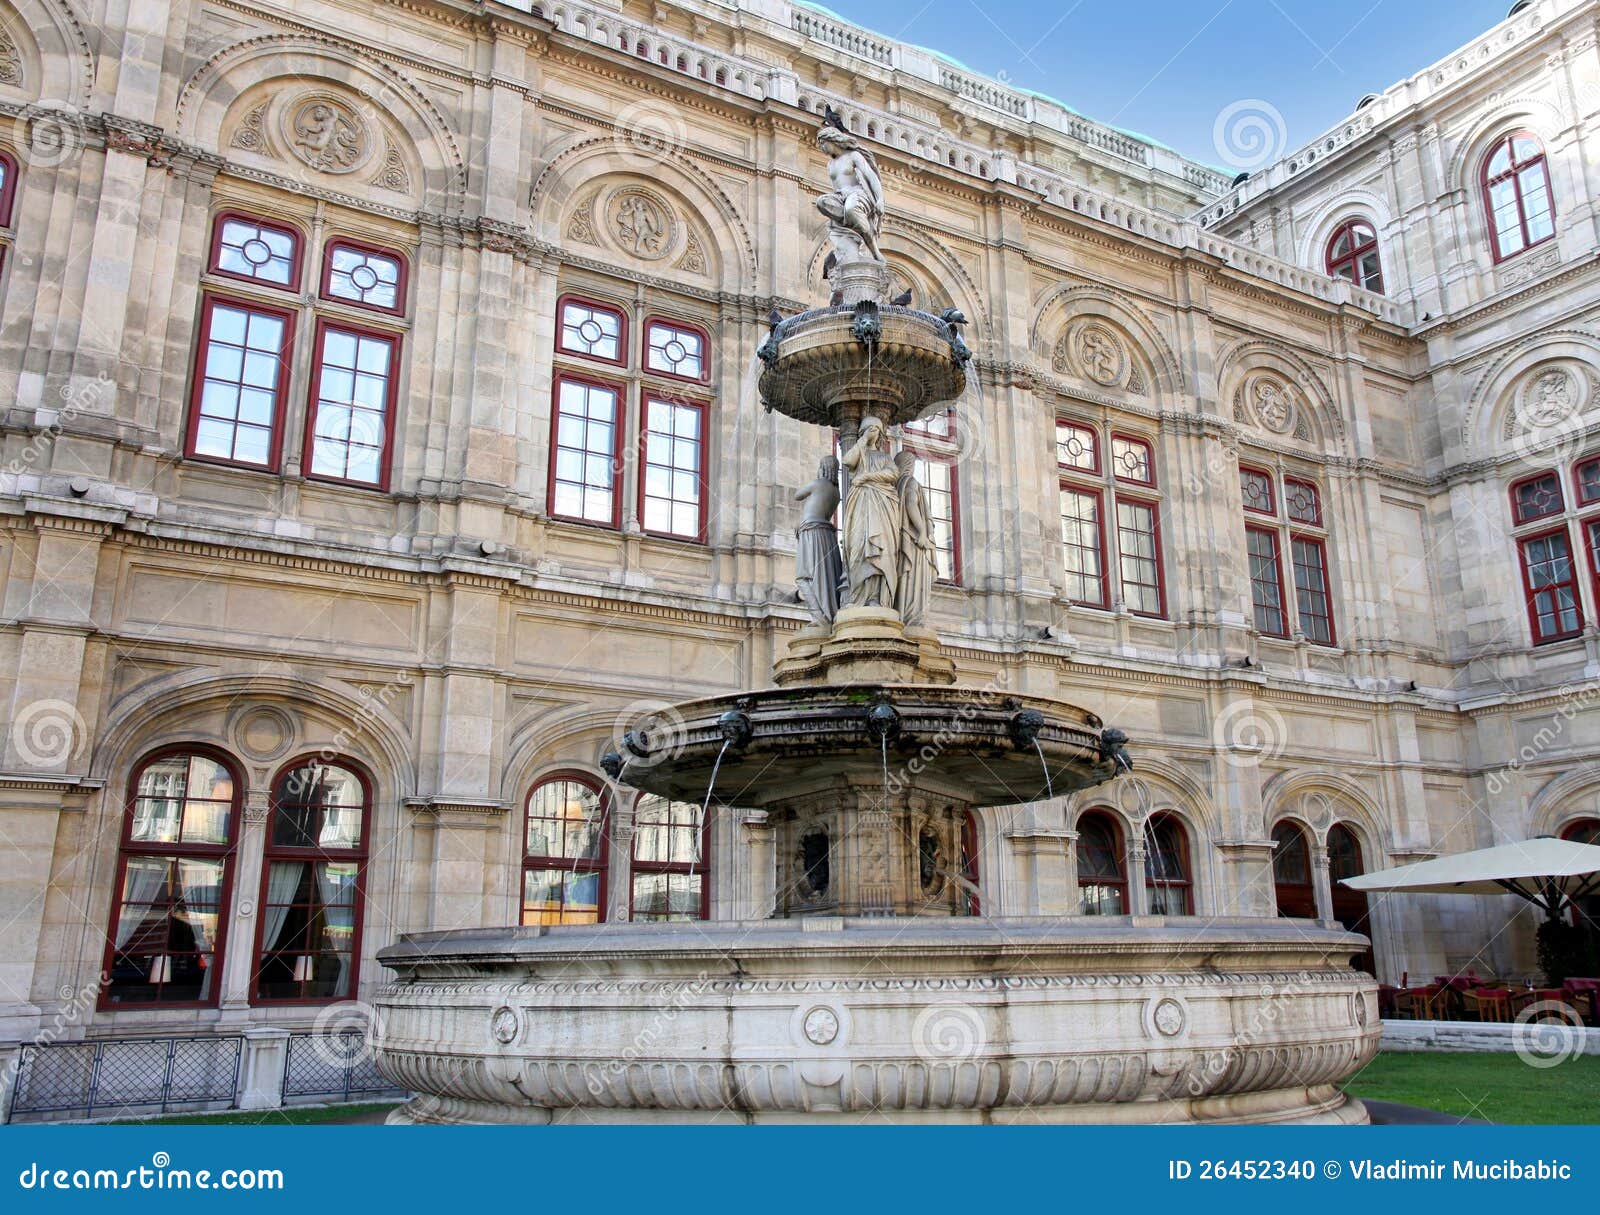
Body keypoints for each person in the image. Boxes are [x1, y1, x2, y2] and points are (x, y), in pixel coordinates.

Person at [840, 417, 900, 608]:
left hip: (882, 505)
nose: (873, 431)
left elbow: (893, 474)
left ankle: (875, 598)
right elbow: (847, 461)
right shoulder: (859, 453)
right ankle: (856, 597)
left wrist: (867, 476)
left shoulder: (884, 457)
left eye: (876, 429)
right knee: (858, 545)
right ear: (862, 431)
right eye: (869, 428)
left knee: (879, 548)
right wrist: (862, 441)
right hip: (860, 503)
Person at [816, 123, 884, 264]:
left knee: (851, 209)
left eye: (823, 143)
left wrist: (880, 199)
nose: (822, 148)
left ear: (833, 140)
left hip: (858, 194)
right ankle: (849, 226)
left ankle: (874, 249)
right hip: (840, 196)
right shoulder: (830, 164)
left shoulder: (854, 155)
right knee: (821, 202)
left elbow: (871, 176)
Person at [795, 456, 845, 625]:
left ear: (822, 467)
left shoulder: (818, 484)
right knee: (826, 577)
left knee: (804, 577)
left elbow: (797, 495)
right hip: (826, 534)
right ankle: (826, 613)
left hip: (811, 532)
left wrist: (818, 476)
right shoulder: (836, 493)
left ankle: (819, 616)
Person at [894, 450, 938, 627]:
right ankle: (913, 615)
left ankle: (903, 610)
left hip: (901, 540)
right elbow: (911, 504)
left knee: (904, 577)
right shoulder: (910, 482)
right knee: (915, 577)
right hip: (914, 541)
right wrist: (921, 531)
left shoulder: (894, 486)